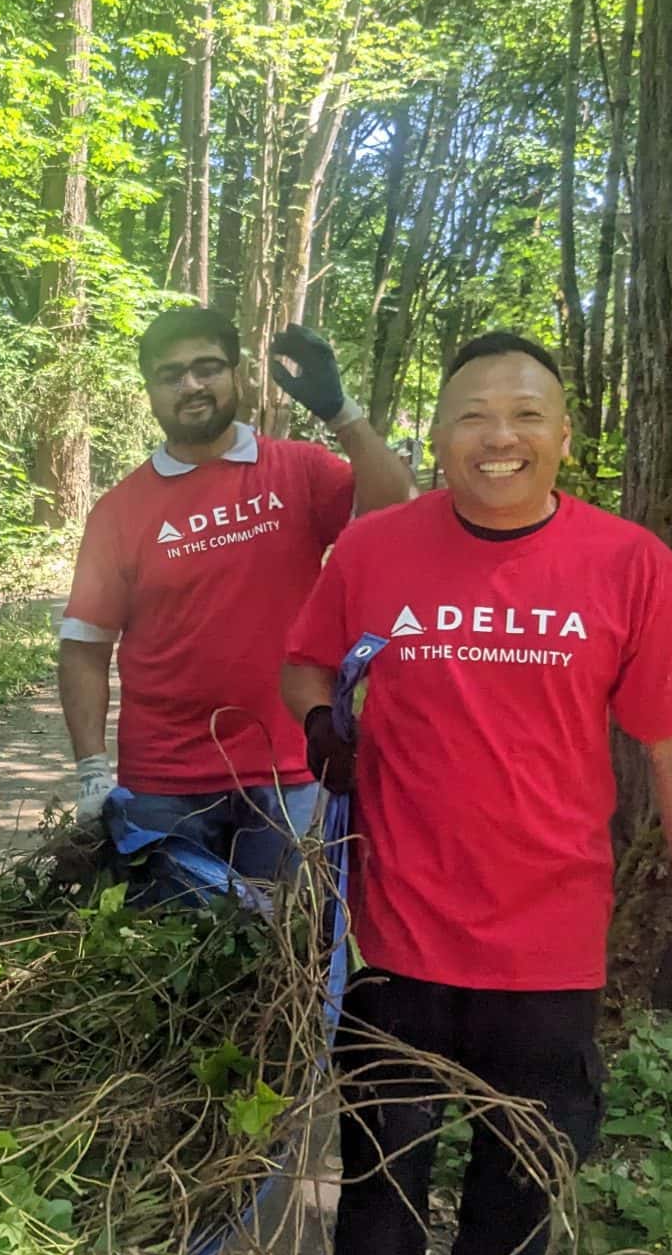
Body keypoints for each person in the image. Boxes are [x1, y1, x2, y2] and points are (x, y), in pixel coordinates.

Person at [281, 330, 672, 1255]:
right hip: (396, 934)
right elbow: (304, 665)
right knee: (382, 1182)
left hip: (550, 944)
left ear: (563, 435)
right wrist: (327, 720)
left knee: (521, 1180)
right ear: (436, 435)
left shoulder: (626, 562)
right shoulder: (377, 548)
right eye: (473, 413)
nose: (499, 434)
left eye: (525, 413)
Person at [59, 307, 414, 880]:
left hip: (291, 771)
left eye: (207, 367)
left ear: (237, 375)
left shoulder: (297, 469)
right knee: (169, 954)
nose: (191, 384)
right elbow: (84, 646)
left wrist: (340, 410)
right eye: (171, 374)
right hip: (164, 782)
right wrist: (93, 771)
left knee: (290, 947)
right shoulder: (120, 511)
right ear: (150, 389)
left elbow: (395, 509)